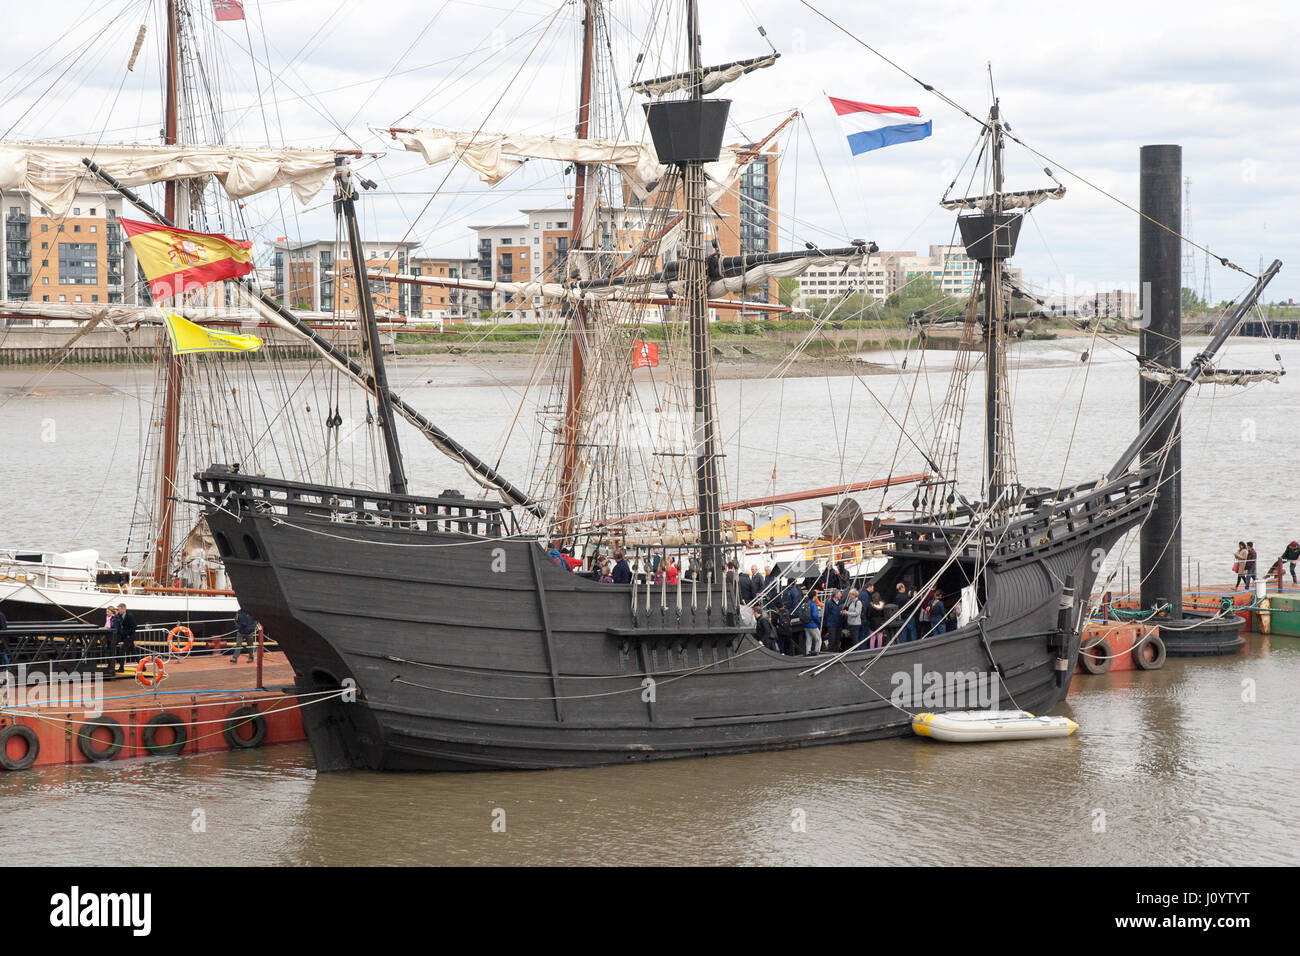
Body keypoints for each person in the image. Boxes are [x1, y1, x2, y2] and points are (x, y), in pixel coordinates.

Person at [115, 603, 137, 669]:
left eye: (119, 610)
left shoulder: (130, 616)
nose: (118, 611)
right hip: (123, 636)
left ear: (123, 609)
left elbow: (134, 627)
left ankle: (121, 668)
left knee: (122, 651)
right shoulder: (119, 615)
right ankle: (142, 666)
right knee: (134, 652)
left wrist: (128, 635)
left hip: (129, 636)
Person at [803, 590, 823, 656]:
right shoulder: (813, 604)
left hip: (806, 624)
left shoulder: (805, 603)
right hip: (812, 625)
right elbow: (815, 615)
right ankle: (817, 653)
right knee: (818, 639)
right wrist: (818, 622)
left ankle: (807, 653)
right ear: (814, 596)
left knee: (808, 640)